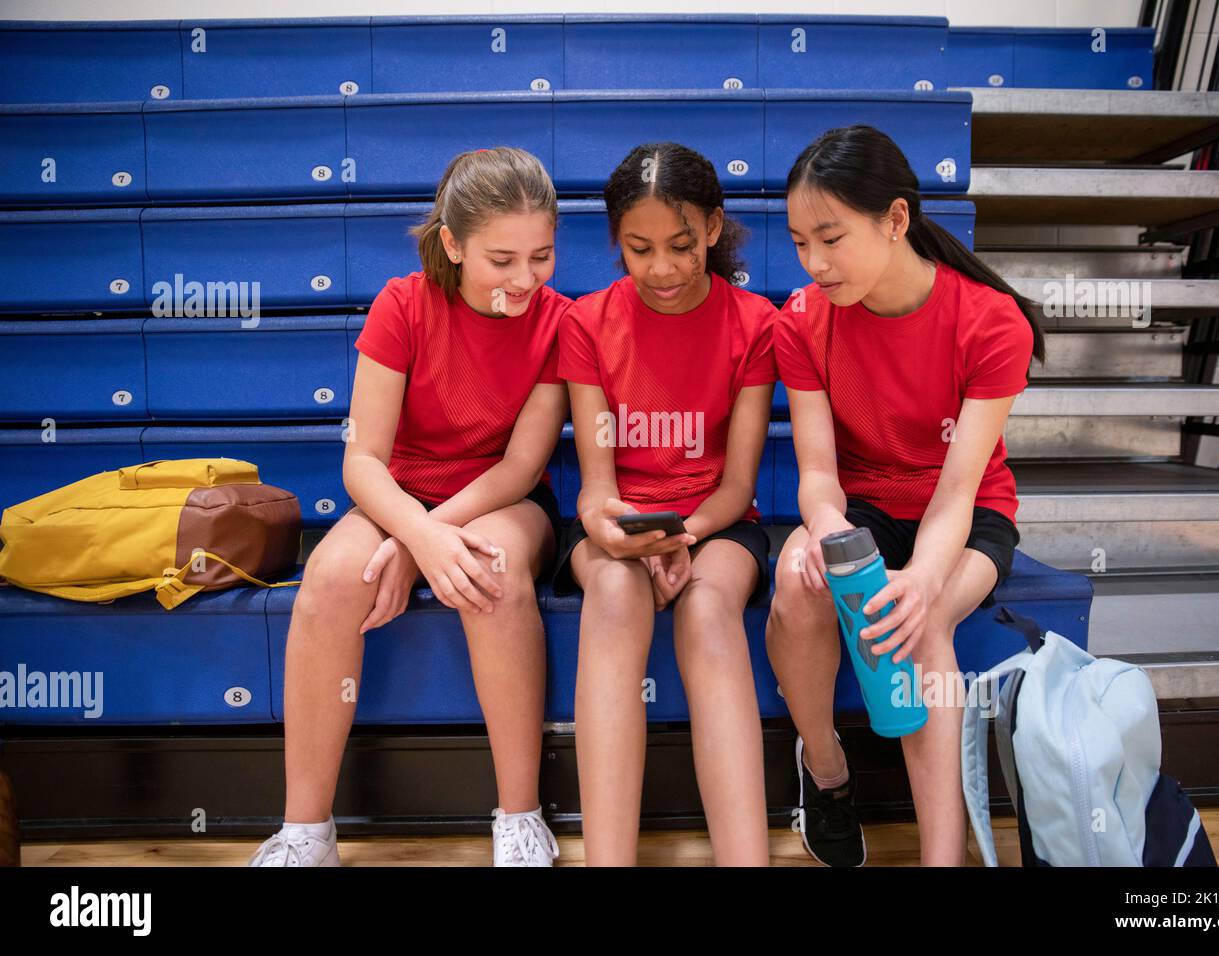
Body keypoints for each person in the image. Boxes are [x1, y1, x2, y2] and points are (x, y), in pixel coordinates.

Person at [248, 146, 570, 867]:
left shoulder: (559, 323)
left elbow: (520, 466)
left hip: (502, 496)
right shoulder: (404, 304)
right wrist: (413, 532)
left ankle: (520, 817)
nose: (524, 280)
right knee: (332, 577)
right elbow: (361, 460)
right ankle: (306, 830)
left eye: (541, 256)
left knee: (489, 567)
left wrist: (425, 537)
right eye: (502, 259)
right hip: (402, 495)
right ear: (453, 244)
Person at [767, 124, 1044, 867]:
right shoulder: (800, 322)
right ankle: (825, 773)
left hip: (967, 513)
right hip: (864, 506)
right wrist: (830, 539)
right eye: (799, 243)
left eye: (830, 238)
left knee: (920, 628)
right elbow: (819, 474)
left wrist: (921, 583)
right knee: (795, 583)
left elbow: (959, 492)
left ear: (895, 220)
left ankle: (942, 859)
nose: (814, 264)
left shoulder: (991, 323)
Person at [551, 142, 778, 866]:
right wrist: (613, 530)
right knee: (615, 595)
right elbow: (594, 480)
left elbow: (738, 487)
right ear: (617, 241)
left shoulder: (754, 323)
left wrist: (683, 536)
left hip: (715, 525)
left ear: (713, 228)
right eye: (639, 248)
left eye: (681, 246)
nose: (662, 269)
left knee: (710, 612)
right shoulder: (586, 322)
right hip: (622, 524)